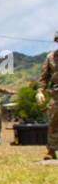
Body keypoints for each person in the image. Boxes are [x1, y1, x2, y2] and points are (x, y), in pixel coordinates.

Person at [39, 32, 58, 161]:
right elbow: (44, 77)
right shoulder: (51, 57)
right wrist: (40, 90)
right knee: (53, 122)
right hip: (56, 94)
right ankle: (51, 150)